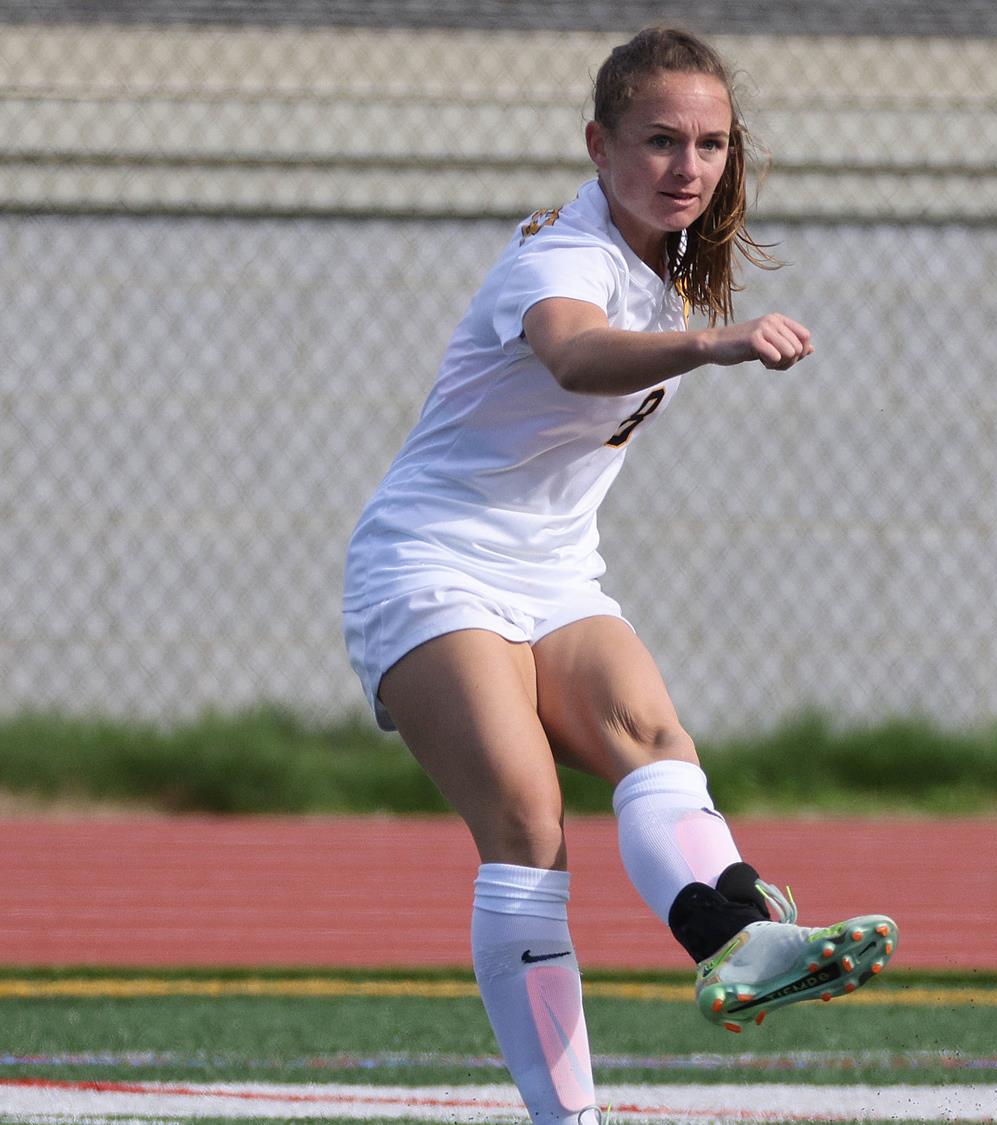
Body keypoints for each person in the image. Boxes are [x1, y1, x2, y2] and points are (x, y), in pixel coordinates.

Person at [341, 27, 895, 1125]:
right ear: (597, 146)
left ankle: (737, 939)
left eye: (708, 144)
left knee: (656, 743)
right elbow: (571, 353)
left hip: (553, 567)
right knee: (529, 824)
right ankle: (570, 1120)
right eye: (657, 141)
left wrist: (705, 325)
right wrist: (713, 345)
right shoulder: (568, 257)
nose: (685, 166)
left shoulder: (680, 257)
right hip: (431, 559)